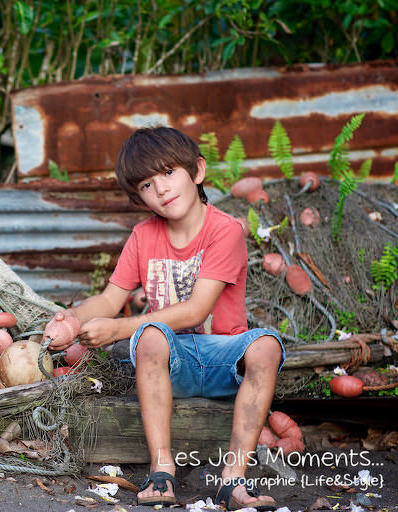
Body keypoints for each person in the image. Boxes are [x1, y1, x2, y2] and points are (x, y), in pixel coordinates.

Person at [45, 126, 284, 510]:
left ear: (198, 172)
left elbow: (196, 310)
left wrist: (119, 329)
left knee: (268, 346)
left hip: (222, 358)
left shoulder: (225, 231)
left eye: (169, 173)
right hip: (169, 361)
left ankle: (234, 479)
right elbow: (109, 299)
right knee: (153, 335)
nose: (161, 189)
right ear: (139, 197)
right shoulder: (143, 236)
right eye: (146, 185)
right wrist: (71, 321)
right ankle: (162, 472)